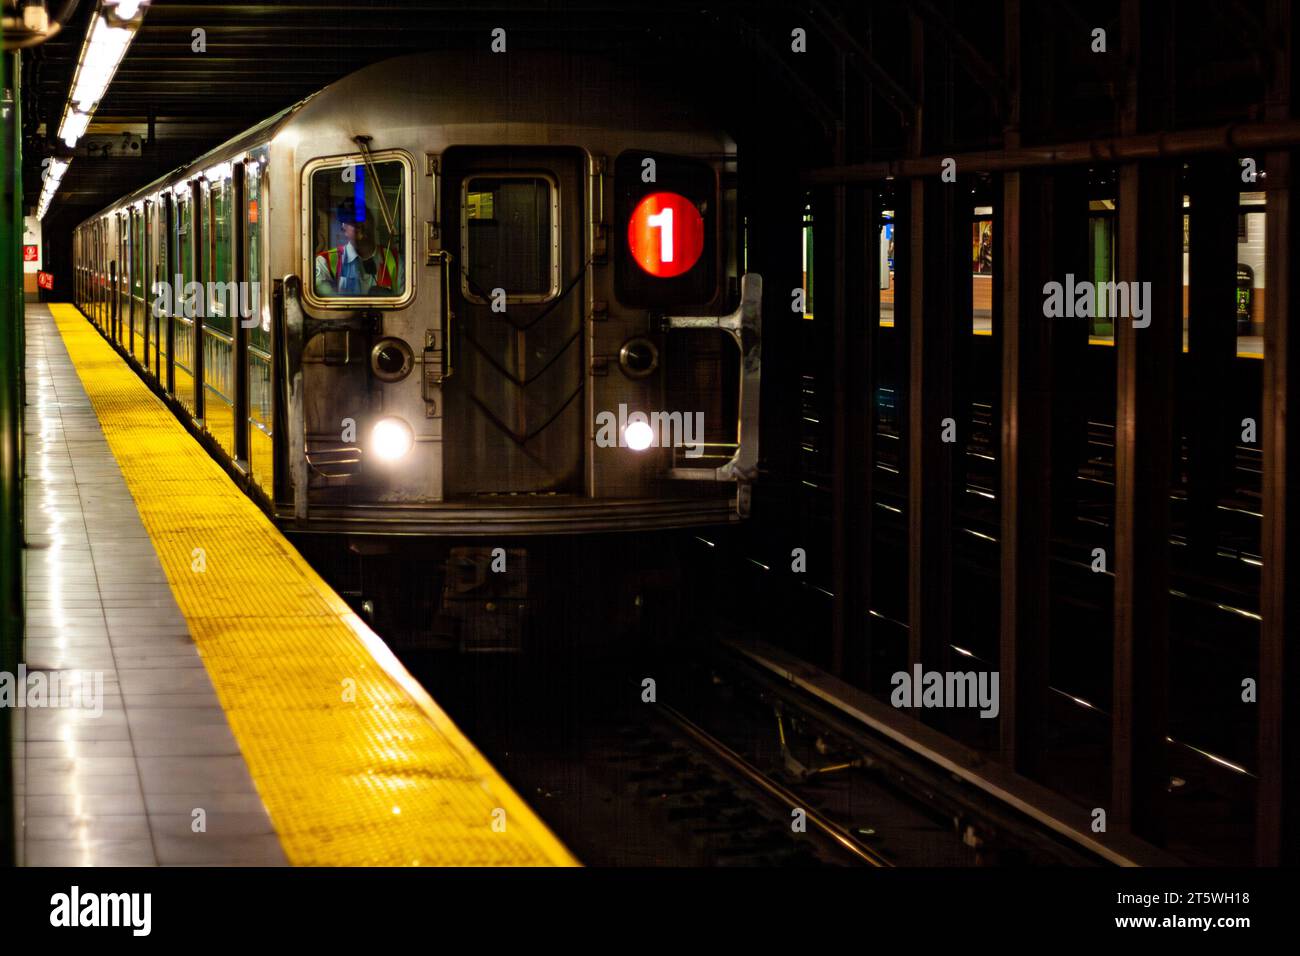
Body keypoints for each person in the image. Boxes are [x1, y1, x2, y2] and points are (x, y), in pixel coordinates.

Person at [314, 197, 403, 296]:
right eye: (351, 220)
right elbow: (325, 305)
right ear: (343, 229)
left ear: (373, 220)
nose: (359, 224)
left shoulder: (395, 259)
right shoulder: (325, 262)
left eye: (363, 216)